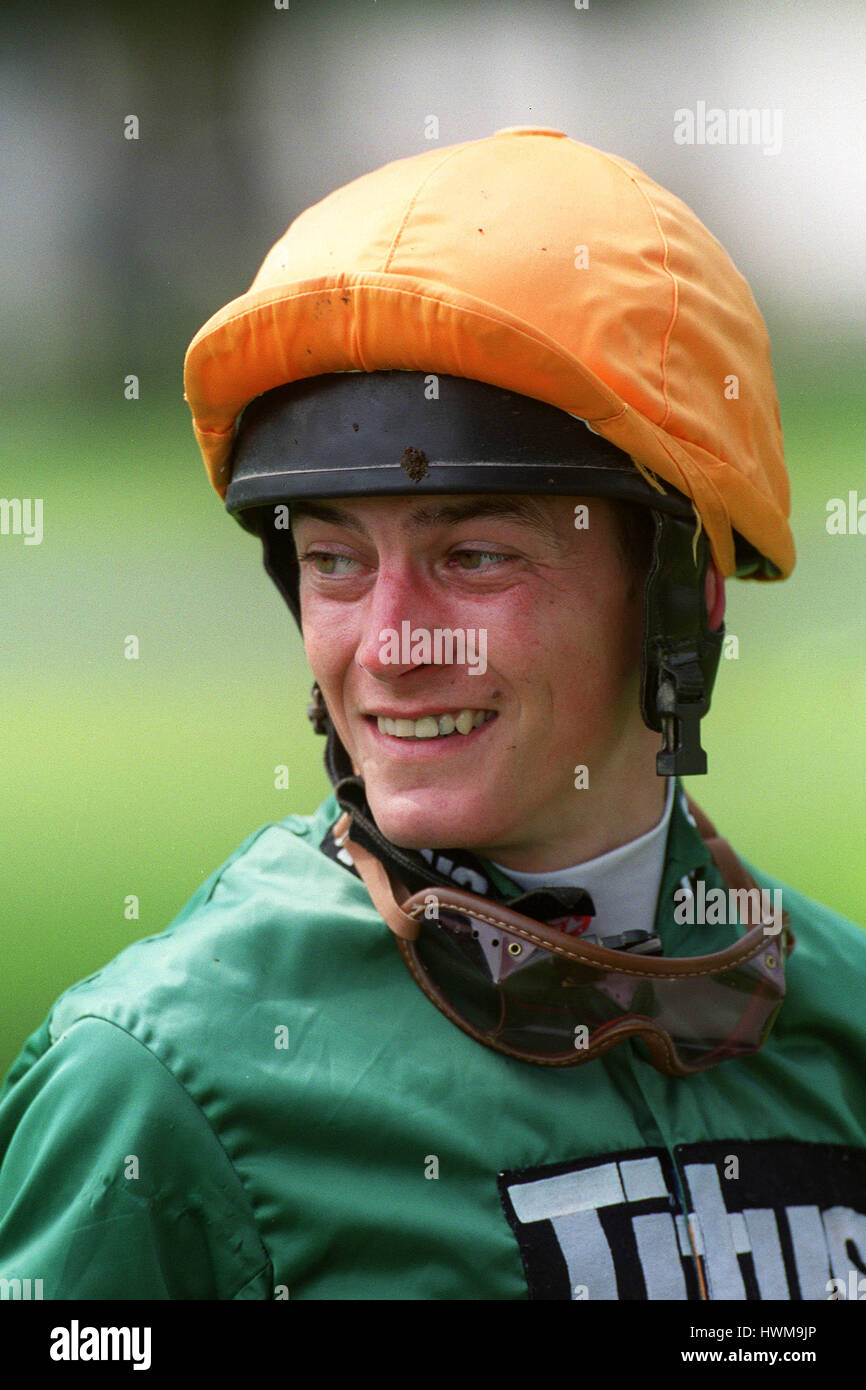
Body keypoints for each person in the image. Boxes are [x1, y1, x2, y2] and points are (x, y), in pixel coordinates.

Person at [1, 128, 864, 1303]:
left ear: (680, 603)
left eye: (472, 554)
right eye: (334, 561)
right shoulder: (155, 1086)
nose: (394, 646)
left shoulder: (841, 1026)